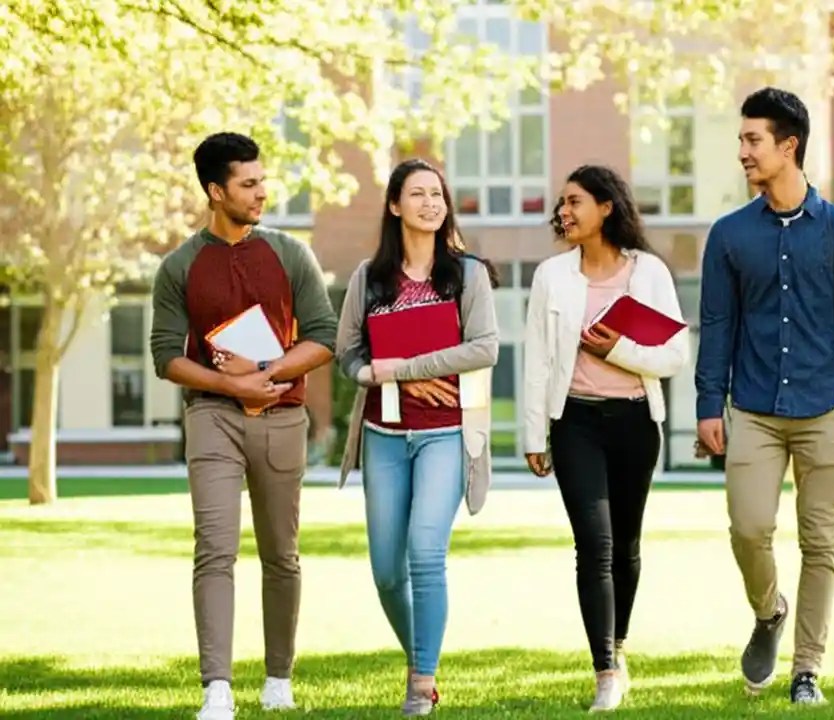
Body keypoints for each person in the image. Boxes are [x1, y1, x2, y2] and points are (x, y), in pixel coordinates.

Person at [694, 87, 834, 705]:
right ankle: (768, 609)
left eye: (753, 141)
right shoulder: (728, 236)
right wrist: (707, 404)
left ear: (789, 145)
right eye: (742, 140)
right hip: (752, 407)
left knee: (820, 542)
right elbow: (718, 325)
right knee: (748, 528)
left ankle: (807, 668)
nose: (743, 152)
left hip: (827, 405)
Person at [149, 132, 337, 720]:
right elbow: (164, 355)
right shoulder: (179, 266)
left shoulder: (290, 254)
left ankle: (278, 676)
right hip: (212, 418)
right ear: (215, 190)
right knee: (215, 549)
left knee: (282, 554)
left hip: (282, 417)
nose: (262, 193)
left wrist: (266, 370)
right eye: (248, 184)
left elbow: (324, 336)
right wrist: (232, 384)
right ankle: (217, 688)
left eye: (262, 181)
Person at [333, 158, 500, 716]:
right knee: (386, 571)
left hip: (446, 433)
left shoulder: (467, 275)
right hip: (384, 435)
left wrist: (404, 367)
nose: (431, 203)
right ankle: (421, 656)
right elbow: (348, 353)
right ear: (395, 205)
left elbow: (484, 348)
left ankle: (420, 683)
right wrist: (371, 373)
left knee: (425, 552)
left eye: (438, 194)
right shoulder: (368, 278)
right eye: (418, 194)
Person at [522, 164, 690, 712]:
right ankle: (603, 672)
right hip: (575, 423)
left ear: (607, 207)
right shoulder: (551, 275)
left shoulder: (649, 273)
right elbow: (536, 360)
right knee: (594, 546)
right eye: (562, 204)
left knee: (627, 547)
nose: (564, 212)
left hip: (637, 423)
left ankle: (618, 648)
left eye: (575, 202)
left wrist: (613, 349)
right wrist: (533, 434)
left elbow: (673, 355)